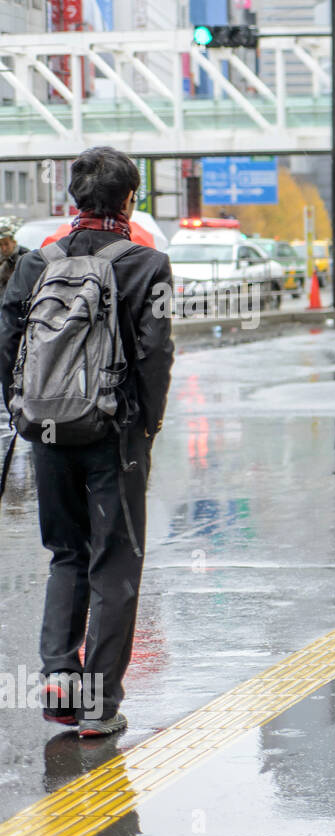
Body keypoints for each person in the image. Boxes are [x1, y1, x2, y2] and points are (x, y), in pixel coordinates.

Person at [0, 146, 174, 737]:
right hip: (114, 434)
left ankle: (58, 681)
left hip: (47, 431)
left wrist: (26, 414)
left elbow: (7, 349)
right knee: (115, 562)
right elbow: (155, 356)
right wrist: (145, 426)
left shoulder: (34, 264)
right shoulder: (147, 265)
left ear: (73, 199)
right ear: (129, 199)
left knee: (66, 556)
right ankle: (99, 707)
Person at [0, 217, 28, 299]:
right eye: (0, 245)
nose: (3, 248)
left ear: (14, 242)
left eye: (6, 244)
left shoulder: (24, 258)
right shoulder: (2, 259)